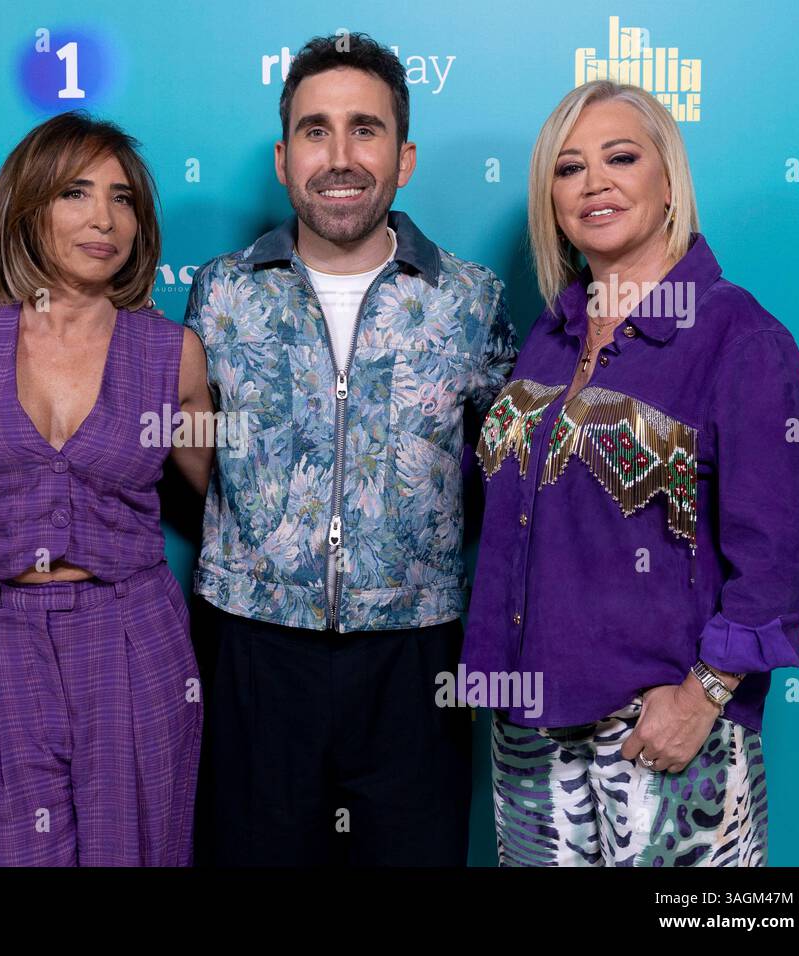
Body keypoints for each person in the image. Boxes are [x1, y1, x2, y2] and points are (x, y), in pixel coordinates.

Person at [461, 79, 799, 866]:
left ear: (669, 183)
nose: (594, 182)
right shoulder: (548, 339)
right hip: (527, 727)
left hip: (663, 732)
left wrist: (705, 696)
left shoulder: (739, 338)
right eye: (568, 168)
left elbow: (781, 555)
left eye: (620, 157)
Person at [182, 33, 516, 866]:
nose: (340, 156)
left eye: (364, 130)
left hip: (415, 657)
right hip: (253, 646)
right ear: (283, 156)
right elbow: (190, 443)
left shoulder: (469, 299)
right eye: (315, 130)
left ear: (404, 158)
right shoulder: (221, 292)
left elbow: (506, 470)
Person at [0, 110, 215, 866]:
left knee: (138, 849)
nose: (104, 218)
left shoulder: (171, 354)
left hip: (131, 635)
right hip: (1, 636)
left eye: (123, 199)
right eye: (76, 193)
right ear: (28, 207)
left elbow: (229, 500)